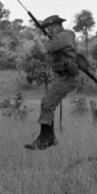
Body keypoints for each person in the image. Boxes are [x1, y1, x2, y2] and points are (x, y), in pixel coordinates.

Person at [25, 15, 80, 150]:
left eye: (49, 29)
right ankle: (50, 138)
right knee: (47, 103)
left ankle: (44, 140)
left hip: (68, 78)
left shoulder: (62, 37)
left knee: (47, 103)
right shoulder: (65, 35)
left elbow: (43, 50)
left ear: (55, 27)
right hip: (65, 77)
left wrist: (34, 36)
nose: (48, 32)